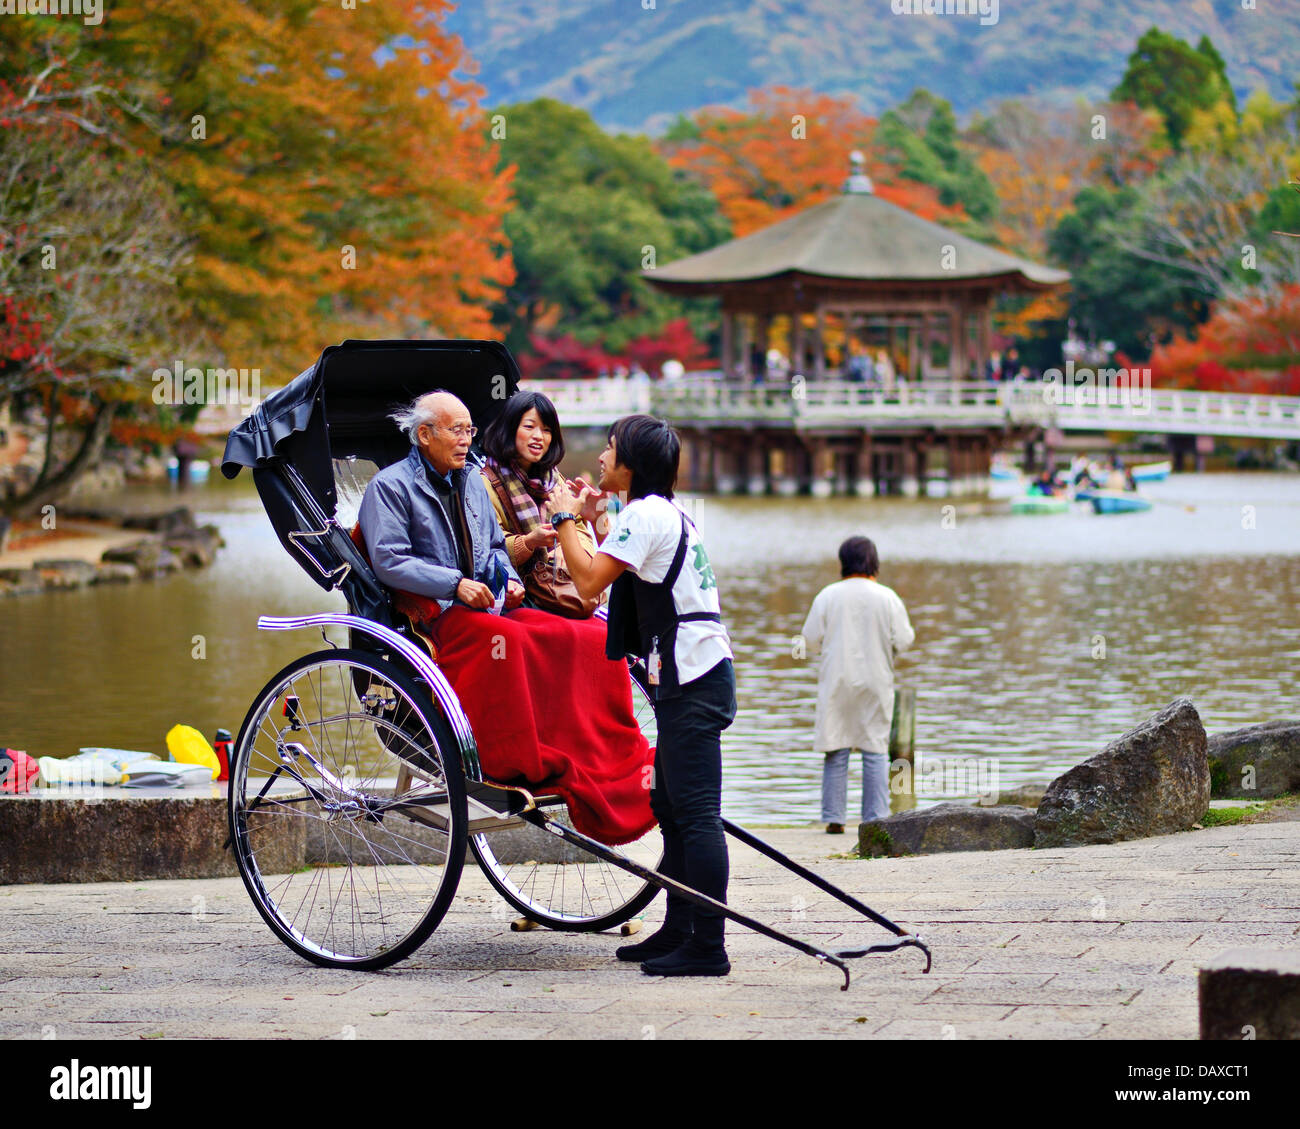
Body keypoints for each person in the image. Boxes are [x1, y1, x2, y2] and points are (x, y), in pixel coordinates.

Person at [544, 415, 737, 978]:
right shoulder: (655, 513)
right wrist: (597, 520)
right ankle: (679, 930)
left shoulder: (647, 515)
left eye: (609, 450)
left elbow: (586, 582)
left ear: (631, 463)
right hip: (692, 675)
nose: (601, 458)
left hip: (694, 679)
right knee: (671, 808)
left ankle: (709, 946)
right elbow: (625, 568)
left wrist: (562, 518)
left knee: (697, 814)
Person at [357, 390, 524, 614]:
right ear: (425, 435)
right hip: (437, 612)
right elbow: (391, 562)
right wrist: (456, 585)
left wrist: (509, 581)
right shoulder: (389, 486)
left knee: (565, 632)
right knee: (521, 639)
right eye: (456, 430)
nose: (466, 441)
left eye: (469, 430)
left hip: (486, 606)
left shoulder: (473, 478)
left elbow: (494, 547)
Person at [801, 536, 914, 834]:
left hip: (837, 680)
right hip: (876, 679)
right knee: (874, 747)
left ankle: (834, 818)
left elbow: (810, 639)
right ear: (873, 562)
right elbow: (904, 639)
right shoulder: (887, 597)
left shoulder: (827, 595)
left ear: (843, 562)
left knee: (836, 745)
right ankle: (875, 818)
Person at [478, 390, 598, 615]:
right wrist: (529, 543)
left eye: (546, 430)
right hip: (515, 594)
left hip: (560, 586)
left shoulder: (556, 480)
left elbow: (579, 526)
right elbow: (483, 545)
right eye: (529, 427)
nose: (539, 437)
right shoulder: (485, 482)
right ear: (509, 428)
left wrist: (568, 547)